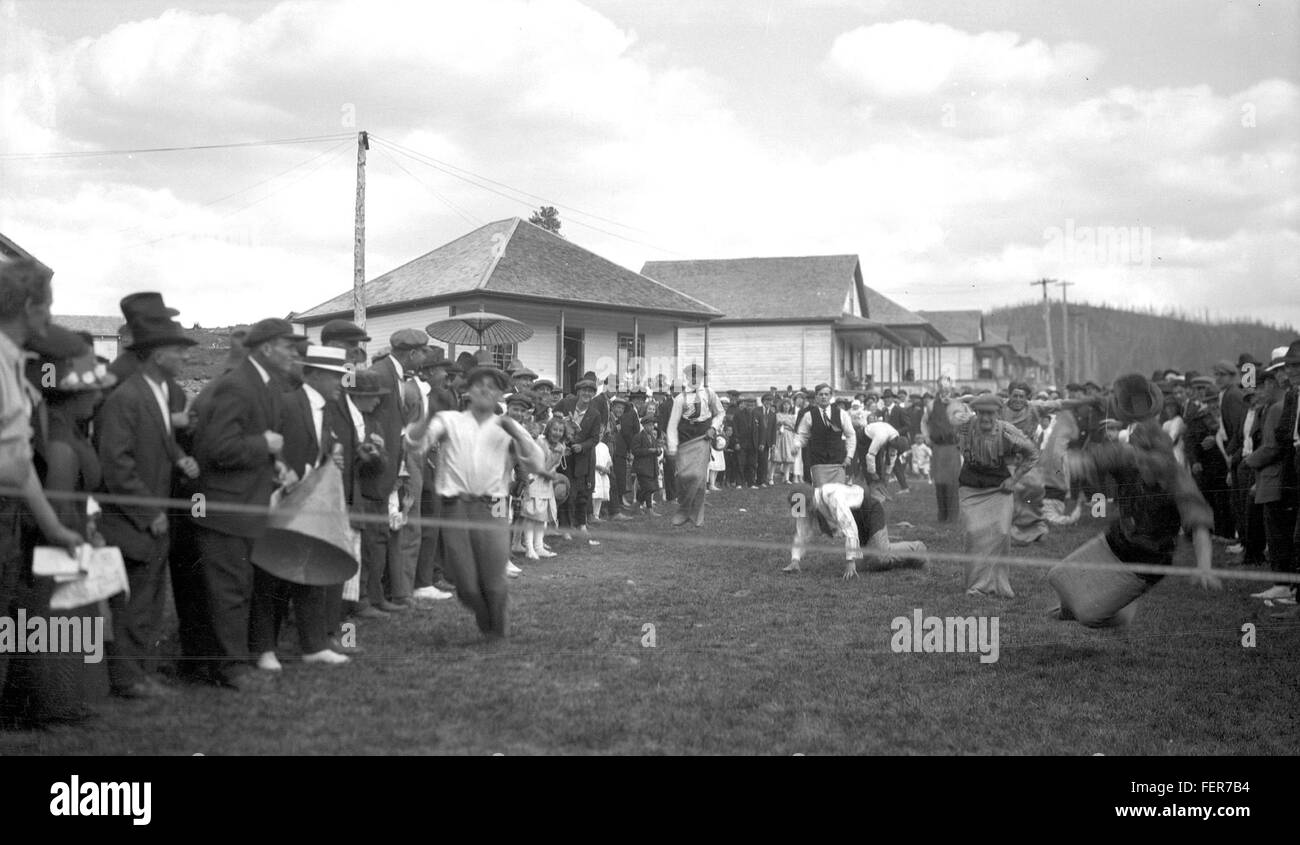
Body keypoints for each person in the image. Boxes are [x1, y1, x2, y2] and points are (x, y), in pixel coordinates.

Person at [2, 326, 112, 727]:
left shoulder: (65, 432)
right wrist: (77, 539)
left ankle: (56, 701)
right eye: (93, 390)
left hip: (67, 535)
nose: (99, 396)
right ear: (73, 394)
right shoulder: (62, 443)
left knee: (63, 624)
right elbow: (56, 503)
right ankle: (50, 704)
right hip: (57, 545)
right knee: (55, 625)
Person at [1048, 375, 1219, 628]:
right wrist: (1077, 459)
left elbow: (1200, 524)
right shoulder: (1129, 454)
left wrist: (1204, 567)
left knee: (1091, 616)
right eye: (1136, 455)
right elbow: (1095, 457)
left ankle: (1119, 611)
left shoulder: (1176, 478)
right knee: (1057, 577)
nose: (1138, 462)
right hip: (1117, 539)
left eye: (1144, 459)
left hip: (1148, 559)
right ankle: (1076, 607)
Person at [188, 318, 303, 690]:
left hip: (244, 507)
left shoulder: (263, 385)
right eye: (288, 346)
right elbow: (216, 449)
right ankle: (231, 669)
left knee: (238, 588)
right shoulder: (238, 386)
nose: (294, 354)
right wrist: (264, 447)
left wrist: (277, 467)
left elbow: (249, 442)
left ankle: (224, 664)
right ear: (266, 348)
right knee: (230, 592)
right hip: (225, 511)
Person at [95, 300, 198, 698]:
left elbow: (158, 439)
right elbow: (116, 464)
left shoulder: (152, 391)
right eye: (178, 350)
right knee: (133, 604)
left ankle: (140, 673)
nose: (185, 356)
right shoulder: (129, 397)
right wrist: (148, 511)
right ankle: (127, 678)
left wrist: (178, 457)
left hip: (146, 517)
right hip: (132, 519)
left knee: (149, 598)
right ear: (157, 354)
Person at [404, 365, 553, 640]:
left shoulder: (507, 425)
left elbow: (535, 463)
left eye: (493, 386)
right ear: (467, 390)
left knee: (494, 574)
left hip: (493, 505)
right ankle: (488, 615)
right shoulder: (448, 420)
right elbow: (415, 445)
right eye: (479, 384)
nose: (485, 390)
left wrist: (517, 434)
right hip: (454, 506)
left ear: (500, 394)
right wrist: (427, 419)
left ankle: (496, 624)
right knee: (465, 584)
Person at [1, 261, 85, 706]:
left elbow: (18, 459)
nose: (49, 319)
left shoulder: (13, 362)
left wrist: (53, 527)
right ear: (29, 306)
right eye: (47, 307)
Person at [250, 346, 353, 671]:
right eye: (336, 376)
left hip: (309, 503)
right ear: (316, 375)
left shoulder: (328, 408)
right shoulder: (287, 402)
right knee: (270, 577)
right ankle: (264, 649)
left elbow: (319, 450)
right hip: (280, 500)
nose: (341, 382)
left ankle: (314, 646)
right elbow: (268, 443)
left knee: (308, 572)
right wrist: (280, 472)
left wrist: (329, 458)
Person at [956, 393, 1039, 598]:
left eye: (990, 413)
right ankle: (976, 586)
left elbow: (1033, 454)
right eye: (981, 413)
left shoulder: (1007, 431)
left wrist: (1014, 479)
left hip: (999, 487)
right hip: (970, 486)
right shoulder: (964, 427)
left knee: (1001, 532)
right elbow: (949, 409)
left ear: (998, 413)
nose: (986, 418)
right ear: (975, 412)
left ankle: (997, 585)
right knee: (973, 533)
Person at [783, 481, 927, 578]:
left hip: (870, 512)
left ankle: (917, 548)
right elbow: (801, 533)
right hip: (856, 521)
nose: (804, 514)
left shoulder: (832, 496)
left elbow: (849, 527)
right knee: (868, 564)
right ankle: (909, 559)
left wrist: (850, 561)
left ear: (810, 502)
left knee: (879, 558)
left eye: (805, 509)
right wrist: (795, 559)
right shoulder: (805, 505)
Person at [1244, 356, 1297, 601]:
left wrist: (1249, 461)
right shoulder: (1278, 406)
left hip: (1274, 479)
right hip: (1274, 478)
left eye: (1264, 385)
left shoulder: (1279, 408)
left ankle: (1282, 582)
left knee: (1277, 532)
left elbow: (1272, 447)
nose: (1261, 391)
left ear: (1272, 384)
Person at [665, 363, 725, 527]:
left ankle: (696, 515)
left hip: (703, 438)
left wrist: (713, 427)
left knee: (698, 477)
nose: (694, 379)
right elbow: (672, 424)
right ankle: (684, 509)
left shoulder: (708, 393)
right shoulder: (679, 398)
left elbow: (720, 412)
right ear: (686, 378)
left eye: (697, 376)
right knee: (684, 477)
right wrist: (672, 447)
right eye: (691, 376)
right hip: (685, 440)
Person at [793, 383, 856, 486]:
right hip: (818, 461)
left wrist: (849, 456)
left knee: (837, 492)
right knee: (821, 492)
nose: (824, 397)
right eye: (821, 394)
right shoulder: (808, 416)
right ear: (816, 397)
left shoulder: (841, 414)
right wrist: (797, 444)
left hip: (838, 460)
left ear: (830, 396)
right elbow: (802, 435)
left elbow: (851, 435)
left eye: (826, 394)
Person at [924, 380, 962, 523]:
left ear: (951, 389)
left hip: (953, 447)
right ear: (938, 390)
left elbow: (966, 423)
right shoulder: (931, 405)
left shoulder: (957, 405)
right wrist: (927, 437)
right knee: (939, 482)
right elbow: (924, 422)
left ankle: (952, 517)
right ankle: (942, 515)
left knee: (952, 482)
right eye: (942, 389)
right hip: (938, 448)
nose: (945, 392)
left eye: (947, 389)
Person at [630, 414, 662, 515]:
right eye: (649, 425)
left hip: (652, 467)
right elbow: (635, 451)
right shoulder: (638, 437)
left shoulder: (652, 437)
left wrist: (658, 451)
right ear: (644, 426)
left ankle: (637, 506)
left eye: (652, 425)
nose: (651, 427)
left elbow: (657, 449)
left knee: (648, 489)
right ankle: (649, 508)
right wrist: (649, 450)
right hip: (642, 467)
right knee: (648, 488)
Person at [772, 398, 798, 483]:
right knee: (776, 457)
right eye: (784, 404)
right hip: (779, 435)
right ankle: (770, 477)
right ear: (782, 406)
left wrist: (786, 423)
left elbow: (794, 427)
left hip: (789, 436)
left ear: (790, 406)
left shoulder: (792, 416)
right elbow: (777, 423)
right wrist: (785, 423)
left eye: (788, 405)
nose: (786, 406)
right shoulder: (778, 414)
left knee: (788, 457)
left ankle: (786, 478)